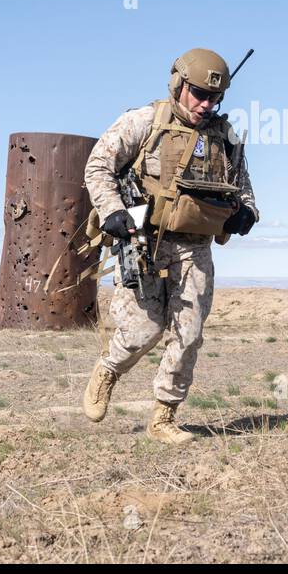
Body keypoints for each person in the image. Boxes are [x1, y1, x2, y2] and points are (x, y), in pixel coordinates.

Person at [81, 48, 259, 445]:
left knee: (189, 333)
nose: (206, 104)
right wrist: (111, 210)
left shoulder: (225, 138)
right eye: (198, 94)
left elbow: (244, 189)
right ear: (178, 85)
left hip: (195, 247)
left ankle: (163, 416)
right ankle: (109, 369)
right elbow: (98, 165)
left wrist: (246, 213)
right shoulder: (144, 122)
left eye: (215, 98)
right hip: (144, 239)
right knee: (142, 331)